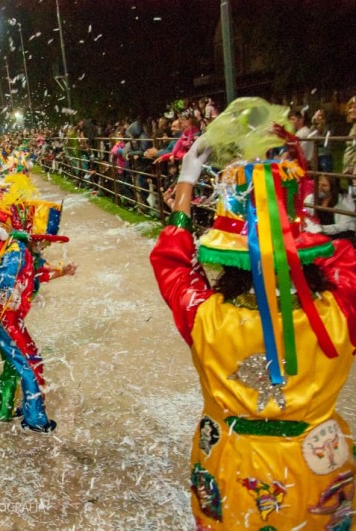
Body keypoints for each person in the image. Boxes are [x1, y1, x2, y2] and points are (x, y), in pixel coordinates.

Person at [150, 97, 356, 529]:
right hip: (319, 465)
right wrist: (291, 212)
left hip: (232, 468)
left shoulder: (204, 315)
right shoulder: (341, 309)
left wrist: (187, 181)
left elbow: (171, 259)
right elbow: (342, 255)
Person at [0, 181, 76, 433]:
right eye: (44, 241)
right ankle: (34, 420)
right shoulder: (17, 254)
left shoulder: (27, 254)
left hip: (8, 318)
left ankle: (2, 410)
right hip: (3, 320)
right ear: (33, 238)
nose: (46, 246)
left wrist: (63, 272)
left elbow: (39, 276)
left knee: (14, 364)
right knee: (32, 363)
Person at [304, 174, 356, 241]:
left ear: (333, 187)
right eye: (318, 184)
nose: (319, 188)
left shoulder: (345, 201)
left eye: (324, 185)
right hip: (317, 232)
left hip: (340, 233)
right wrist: (314, 229)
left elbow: (343, 226)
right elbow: (306, 216)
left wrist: (321, 229)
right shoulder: (310, 198)